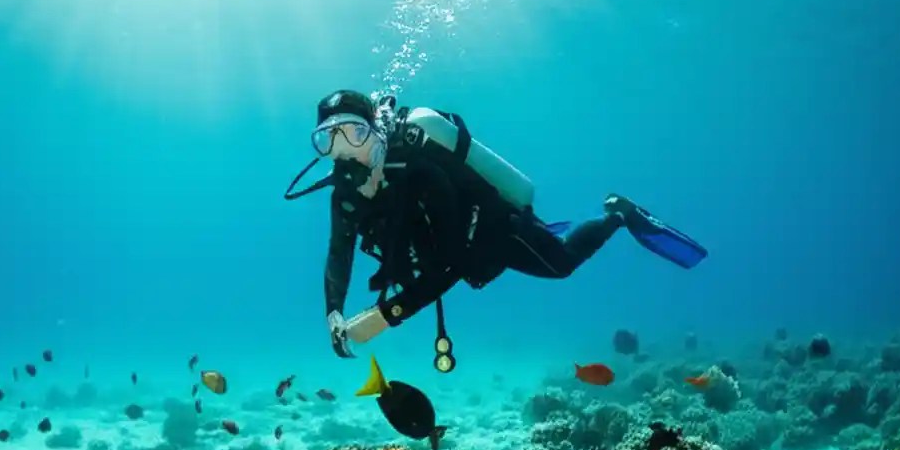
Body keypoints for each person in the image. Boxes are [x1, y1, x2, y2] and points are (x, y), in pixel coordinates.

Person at [284, 90, 706, 371]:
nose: (344, 153)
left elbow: (449, 264)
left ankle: (618, 213)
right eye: (328, 141)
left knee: (560, 263)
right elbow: (338, 251)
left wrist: (386, 316)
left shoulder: (419, 170)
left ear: (375, 130)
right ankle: (583, 222)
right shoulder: (344, 194)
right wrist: (333, 310)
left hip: (491, 231)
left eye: (355, 134)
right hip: (443, 253)